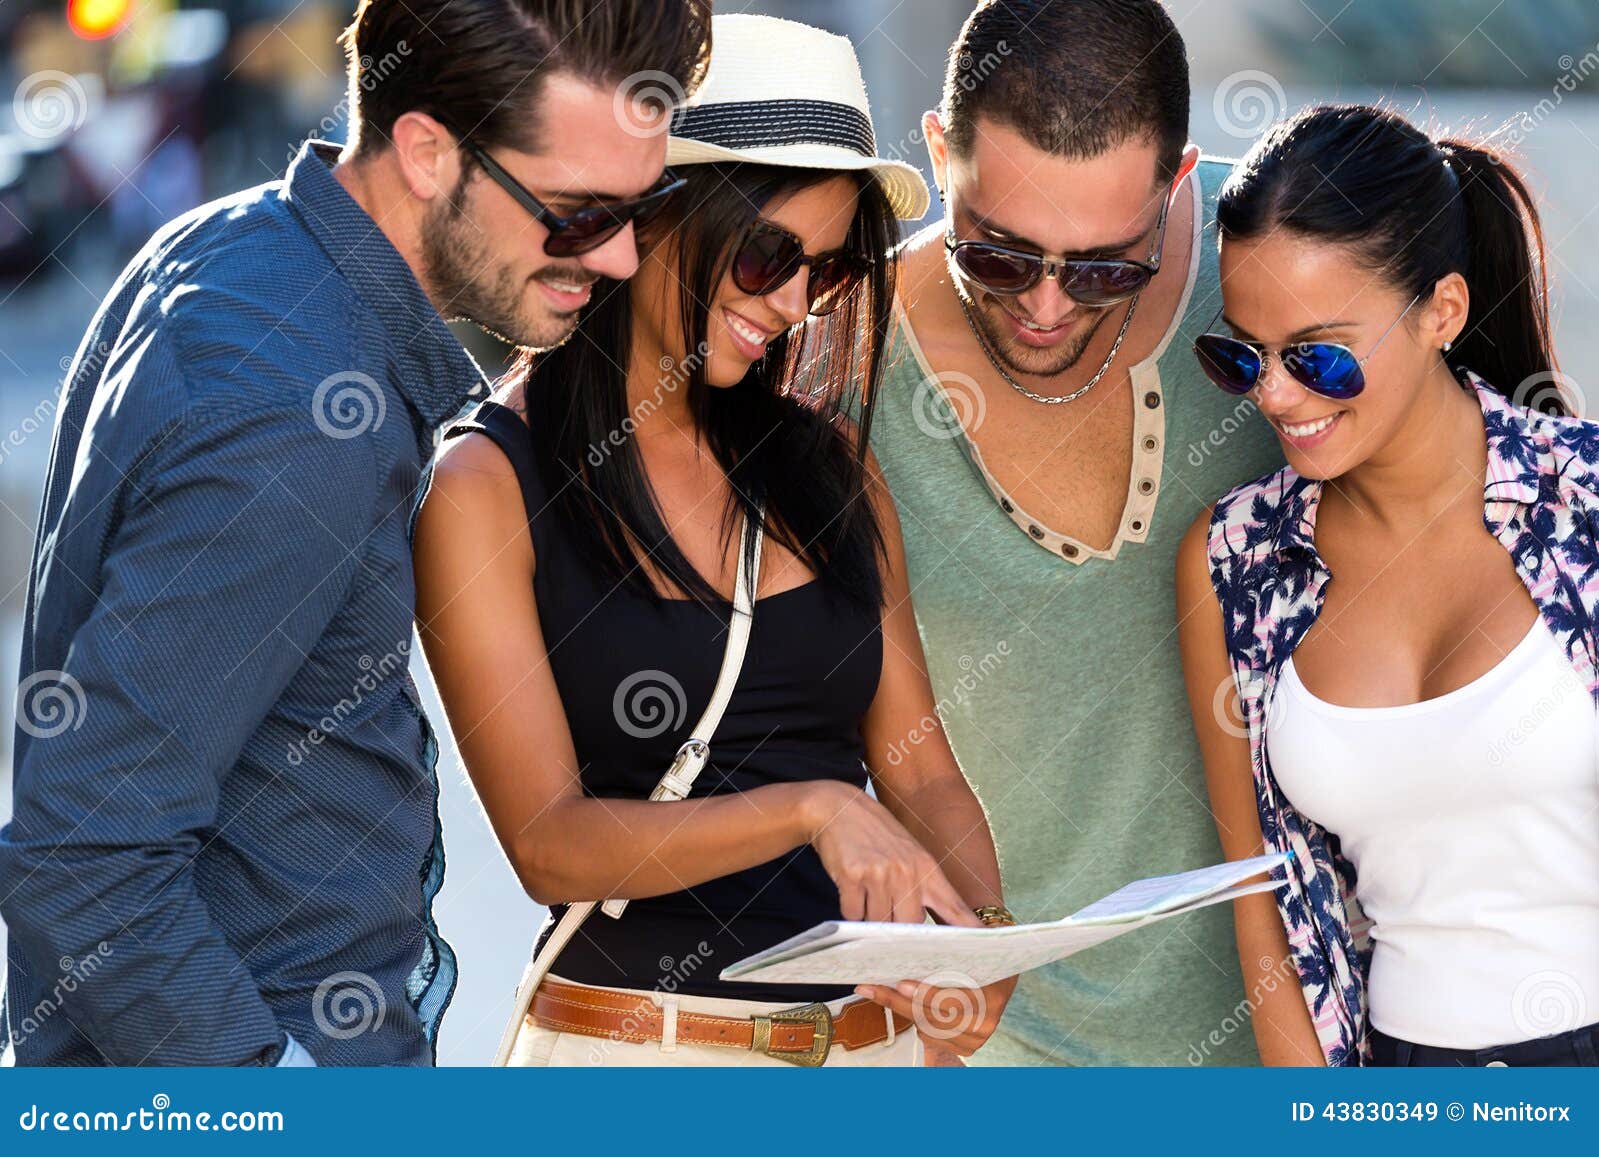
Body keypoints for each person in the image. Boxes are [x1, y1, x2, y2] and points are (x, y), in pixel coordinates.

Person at [0, 0, 711, 1067]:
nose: (616, 260)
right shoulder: (296, 414)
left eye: (640, 210)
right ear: (427, 152)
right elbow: (86, 845)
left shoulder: (240, 244)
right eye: (574, 215)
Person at [413, 14, 1013, 1068]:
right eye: (767, 254)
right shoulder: (487, 484)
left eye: (822, 272)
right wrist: (813, 810)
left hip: (868, 1059)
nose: (789, 302)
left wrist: (977, 930)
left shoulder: (829, 465)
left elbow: (916, 768)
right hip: (642, 1058)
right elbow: (549, 841)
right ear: (657, 214)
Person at [863, 0, 1282, 1064]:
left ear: (1178, 179)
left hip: (1299, 1044)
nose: (1047, 306)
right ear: (938, 152)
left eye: (1103, 266)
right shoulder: (841, 353)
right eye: (998, 255)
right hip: (989, 1059)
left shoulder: (1282, 277)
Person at [1177, 103, 1599, 1067]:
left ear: (1441, 312)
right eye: (1243, 355)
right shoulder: (1236, 560)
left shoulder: (1586, 502)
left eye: (1320, 354)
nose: (1277, 394)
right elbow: (1265, 911)